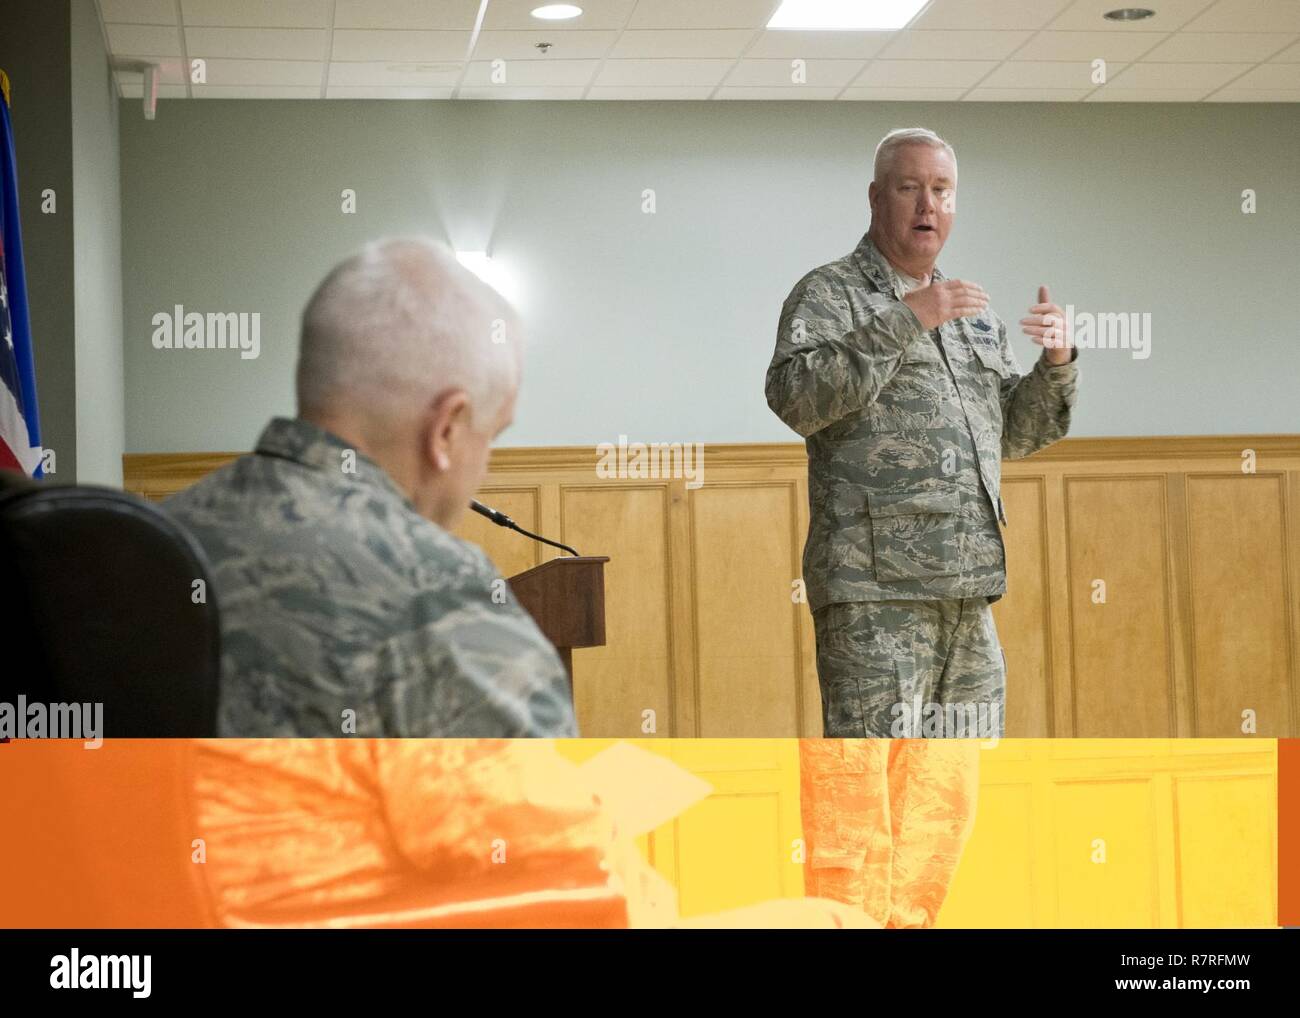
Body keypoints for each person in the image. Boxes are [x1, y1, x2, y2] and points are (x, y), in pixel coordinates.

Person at [166, 238, 573, 737]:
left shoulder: (149, 540)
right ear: (446, 429)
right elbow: (541, 811)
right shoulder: (438, 591)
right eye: (492, 435)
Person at [765, 127, 1080, 739]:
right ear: (876, 197)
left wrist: (1057, 364)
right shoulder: (830, 294)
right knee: (866, 788)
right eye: (909, 188)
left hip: (967, 587)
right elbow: (796, 398)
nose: (927, 205)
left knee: (952, 791)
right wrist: (906, 320)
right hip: (873, 591)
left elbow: (1011, 433)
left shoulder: (973, 311)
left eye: (941, 190)